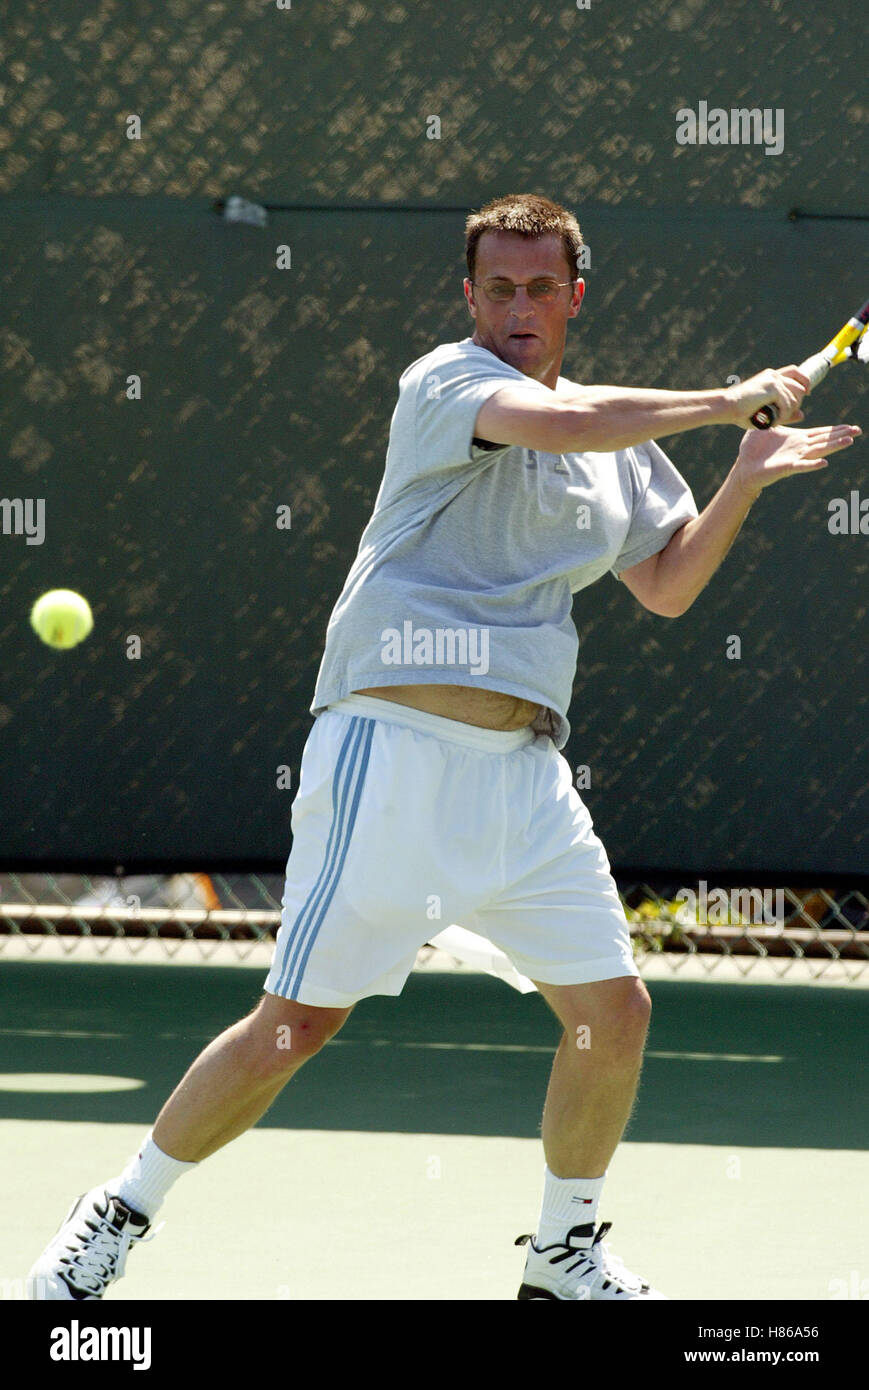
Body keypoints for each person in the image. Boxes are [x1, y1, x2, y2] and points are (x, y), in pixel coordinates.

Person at [27, 193, 859, 1302]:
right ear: (470, 298)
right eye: (498, 288)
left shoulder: (623, 446)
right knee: (294, 1027)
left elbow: (662, 585)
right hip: (391, 754)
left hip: (524, 780)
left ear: (575, 295)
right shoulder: (446, 384)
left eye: (540, 288)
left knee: (612, 1012)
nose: (519, 307)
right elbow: (561, 422)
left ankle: (563, 1251)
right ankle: (118, 1212)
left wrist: (740, 477)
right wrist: (722, 400)